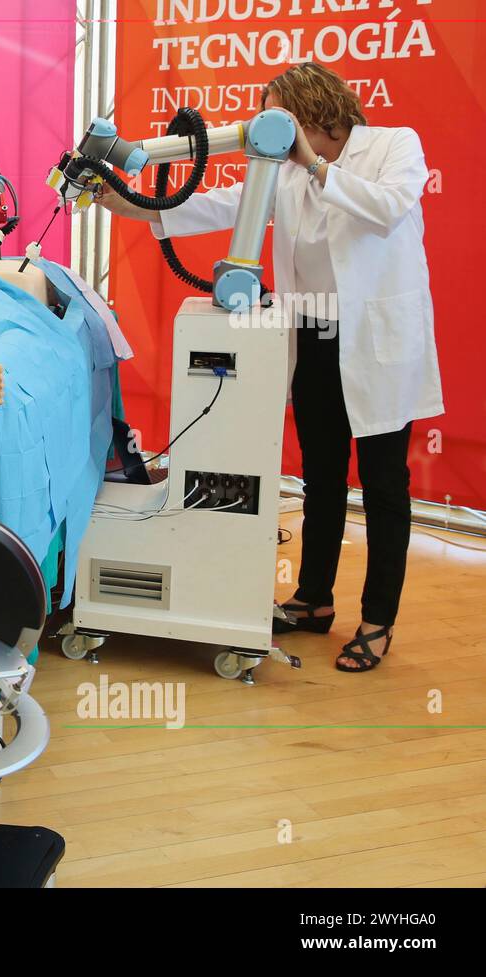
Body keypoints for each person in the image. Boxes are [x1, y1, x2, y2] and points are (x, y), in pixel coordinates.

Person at [98, 62, 442, 672]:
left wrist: (313, 163)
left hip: (378, 344)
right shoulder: (281, 175)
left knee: (385, 485)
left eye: (281, 117)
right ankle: (313, 599)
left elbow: (387, 210)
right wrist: (126, 204)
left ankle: (377, 620)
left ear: (313, 110)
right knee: (322, 475)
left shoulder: (394, 145)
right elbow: (221, 206)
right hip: (314, 338)